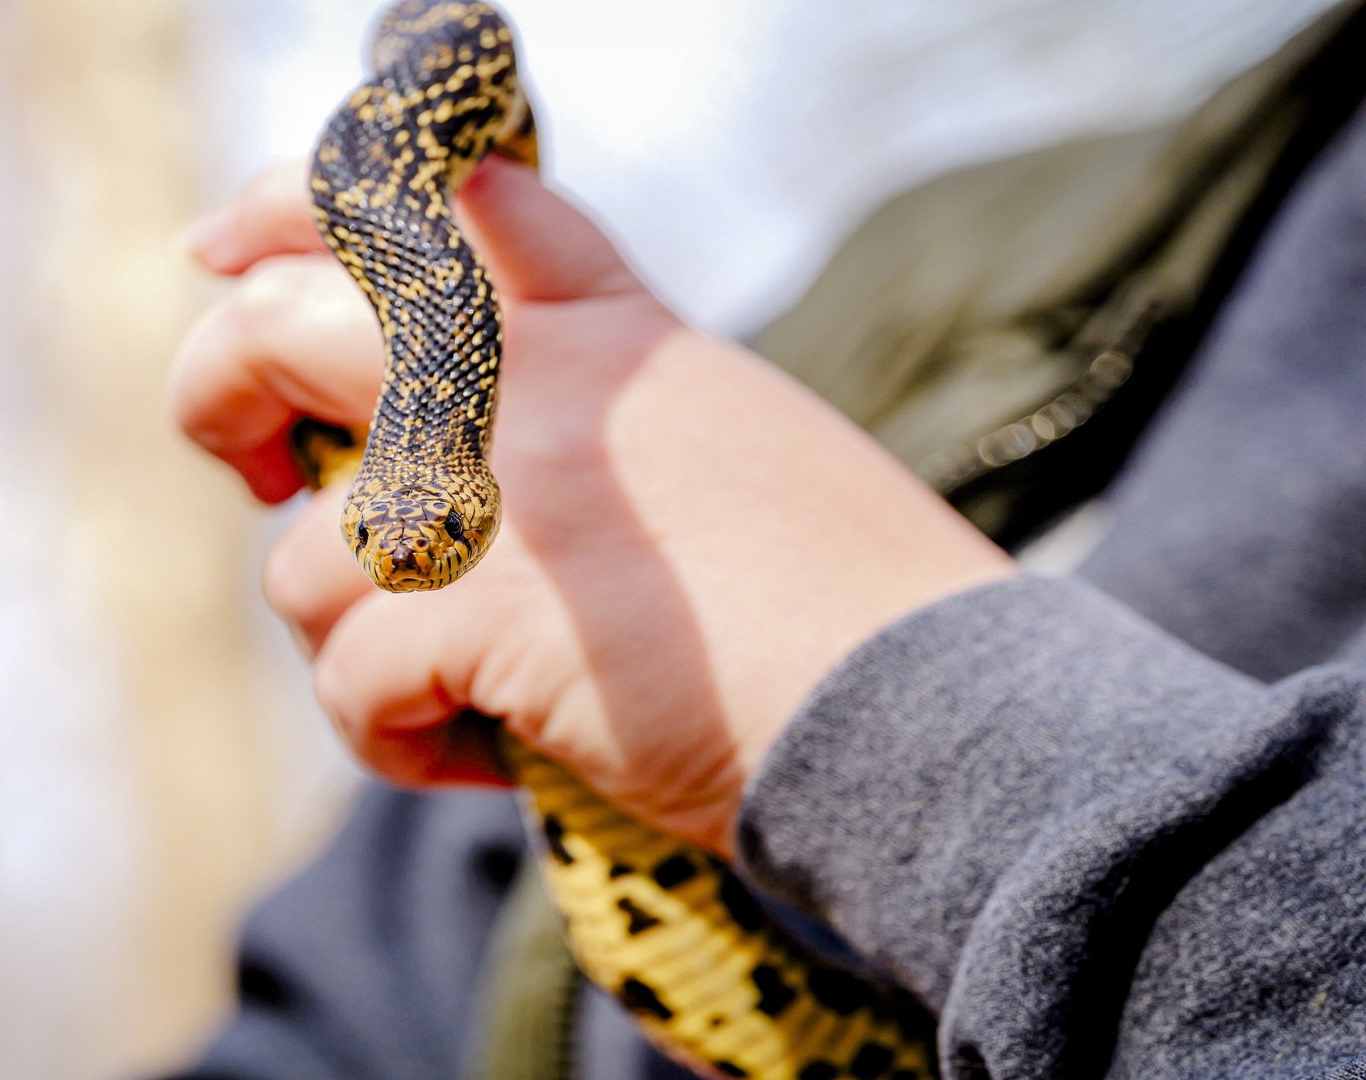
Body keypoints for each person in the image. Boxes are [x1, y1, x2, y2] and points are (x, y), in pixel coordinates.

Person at [165, 3, 1366, 1076]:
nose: (413, 570)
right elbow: (341, 1022)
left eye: (435, 536)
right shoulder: (928, 281)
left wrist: (888, 702)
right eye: (398, 539)